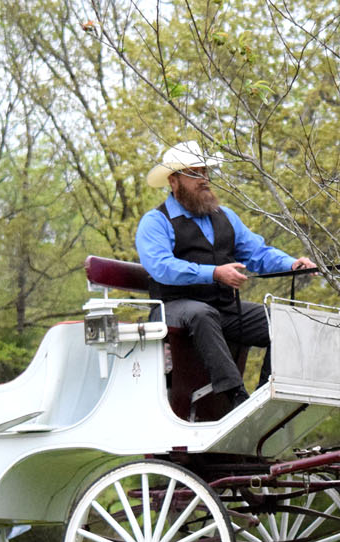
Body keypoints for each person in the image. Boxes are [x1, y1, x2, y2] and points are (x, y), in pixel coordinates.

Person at [135, 140, 315, 410]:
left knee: (285, 322)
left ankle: (264, 400)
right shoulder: (155, 221)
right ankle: (236, 399)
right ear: (174, 181)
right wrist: (215, 273)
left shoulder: (226, 217)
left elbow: (257, 253)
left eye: (205, 172)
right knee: (201, 314)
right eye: (194, 174)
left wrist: (290, 265)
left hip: (224, 308)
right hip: (172, 307)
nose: (204, 180)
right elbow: (162, 267)